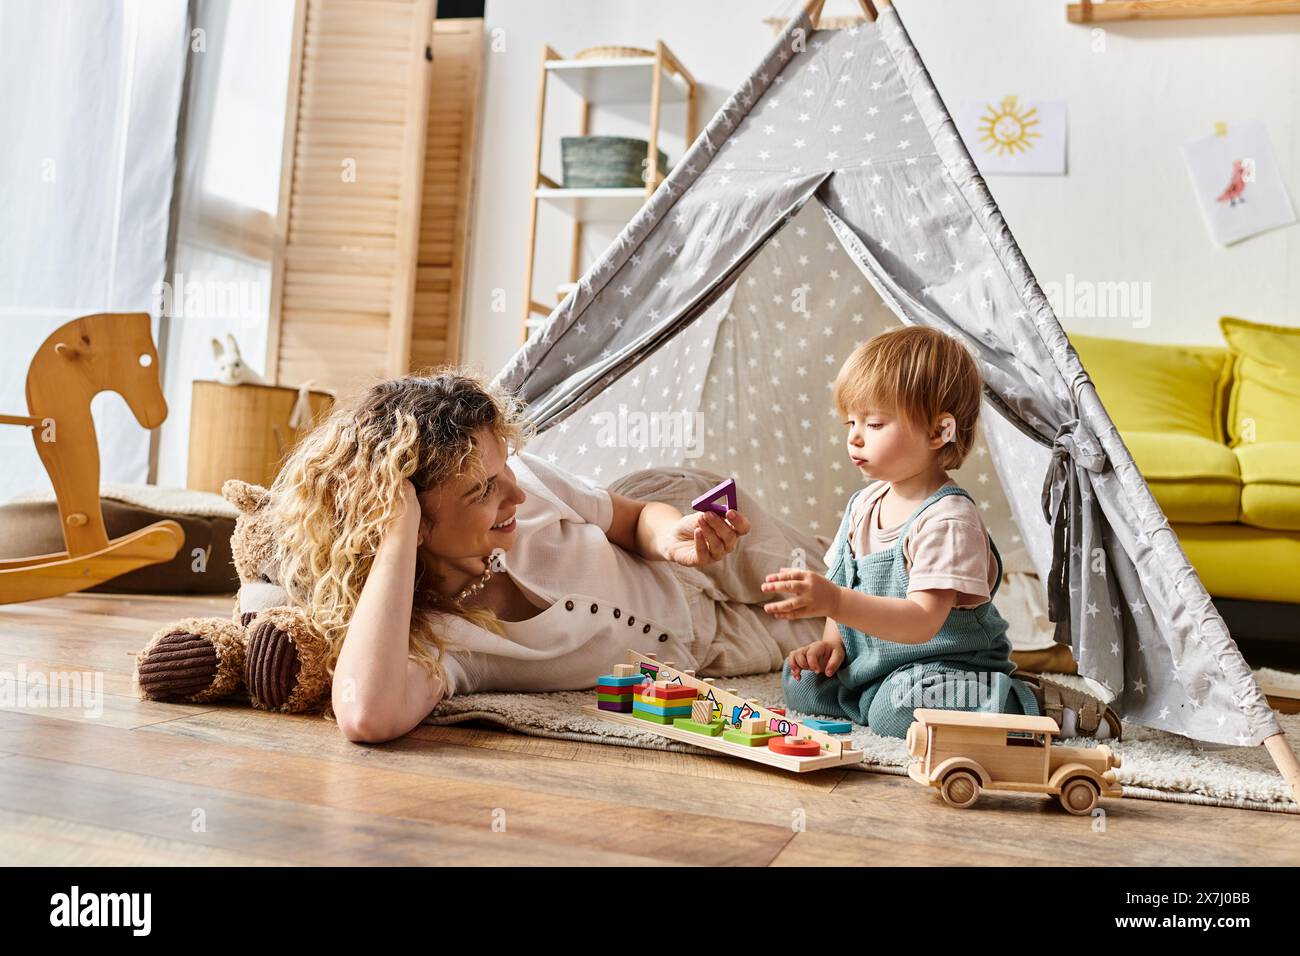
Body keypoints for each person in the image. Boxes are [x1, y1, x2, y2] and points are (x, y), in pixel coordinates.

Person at [268, 369, 825, 743]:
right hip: (704, 649)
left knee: (843, 579)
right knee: (837, 637)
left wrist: (672, 536)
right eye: (481, 491)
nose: (513, 494)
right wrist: (395, 535)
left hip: (678, 534)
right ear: (410, 521)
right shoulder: (441, 639)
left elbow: (630, 518)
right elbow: (368, 714)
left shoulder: (528, 488)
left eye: (503, 467)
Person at [761, 326, 1121, 740]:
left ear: (938, 432)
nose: (854, 437)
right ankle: (877, 699)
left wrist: (836, 601)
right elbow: (844, 581)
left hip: (948, 666)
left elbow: (920, 623)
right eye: (851, 422)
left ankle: (1028, 701)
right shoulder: (862, 506)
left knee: (894, 709)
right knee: (802, 681)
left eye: (874, 423)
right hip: (879, 665)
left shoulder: (948, 519)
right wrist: (832, 642)